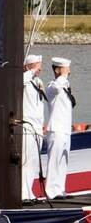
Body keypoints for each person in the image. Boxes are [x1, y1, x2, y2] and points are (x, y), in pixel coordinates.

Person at [44, 58, 76, 198]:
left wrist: (65, 79)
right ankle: (51, 191)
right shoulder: (53, 86)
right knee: (54, 161)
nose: (69, 71)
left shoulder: (65, 86)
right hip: (56, 129)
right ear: (57, 70)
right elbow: (56, 87)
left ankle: (60, 189)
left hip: (65, 130)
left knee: (63, 161)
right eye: (65, 68)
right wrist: (62, 76)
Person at [21, 53, 46, 200]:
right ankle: (23, 194)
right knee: (26, 160)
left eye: (39, 66)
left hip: (37, 127)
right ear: (28, 67)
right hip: (28, 126)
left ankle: (29, 191)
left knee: (34, 162)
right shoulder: (24, 79)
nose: (39, 70)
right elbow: (21, 80)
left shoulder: (36, 82)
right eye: (36, 66)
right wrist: (30, 71)